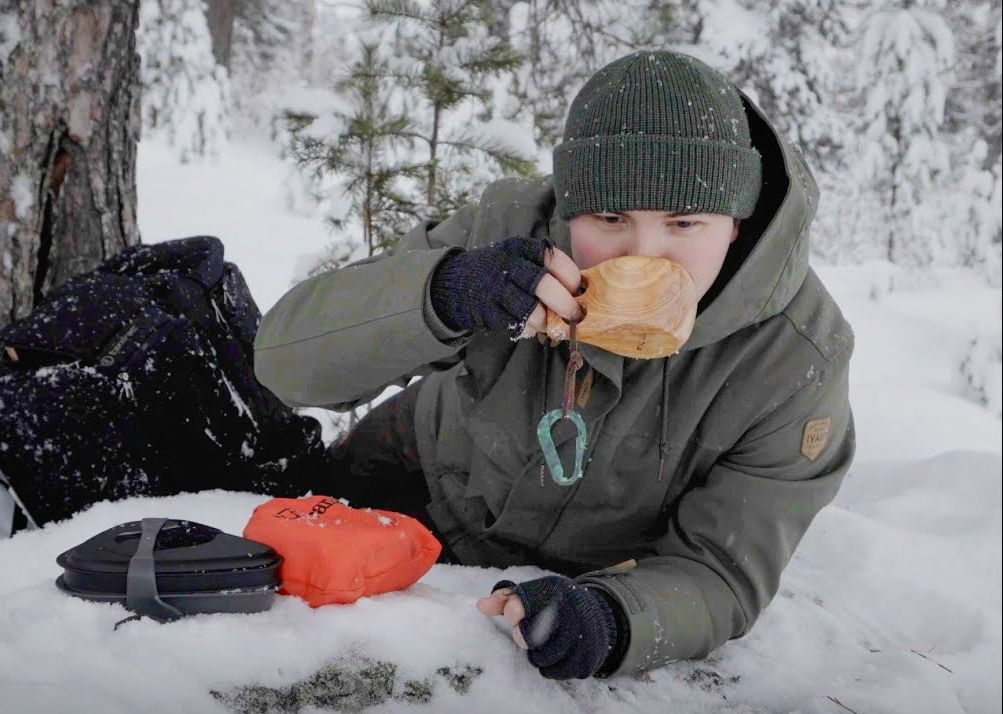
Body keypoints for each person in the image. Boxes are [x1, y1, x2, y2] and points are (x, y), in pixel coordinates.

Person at [253, 49, 855, 680]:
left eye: (684, 223)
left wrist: (615, 617)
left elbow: (721, 571)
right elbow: (284, 362)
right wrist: (444, 293)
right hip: (413, 486)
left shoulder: (794, 357)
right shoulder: (510, 230)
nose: (645, 255)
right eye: (610, 218)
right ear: (570, 212)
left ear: (735, 223)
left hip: (592, 577)